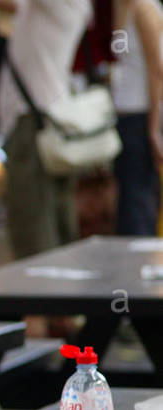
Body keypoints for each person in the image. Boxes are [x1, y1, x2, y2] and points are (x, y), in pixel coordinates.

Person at [0, 0, 92, 258]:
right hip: (39, 124)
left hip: (32, 128)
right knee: (54, 229)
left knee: (33, 235)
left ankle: (40, 296)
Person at [112, 0, 163, 235]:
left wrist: (155, 128)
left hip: (140, 116)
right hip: (123, 115)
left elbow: (157, 72)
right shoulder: (124, 8)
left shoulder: (145, 9)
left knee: (138, 203)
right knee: (129, 199)